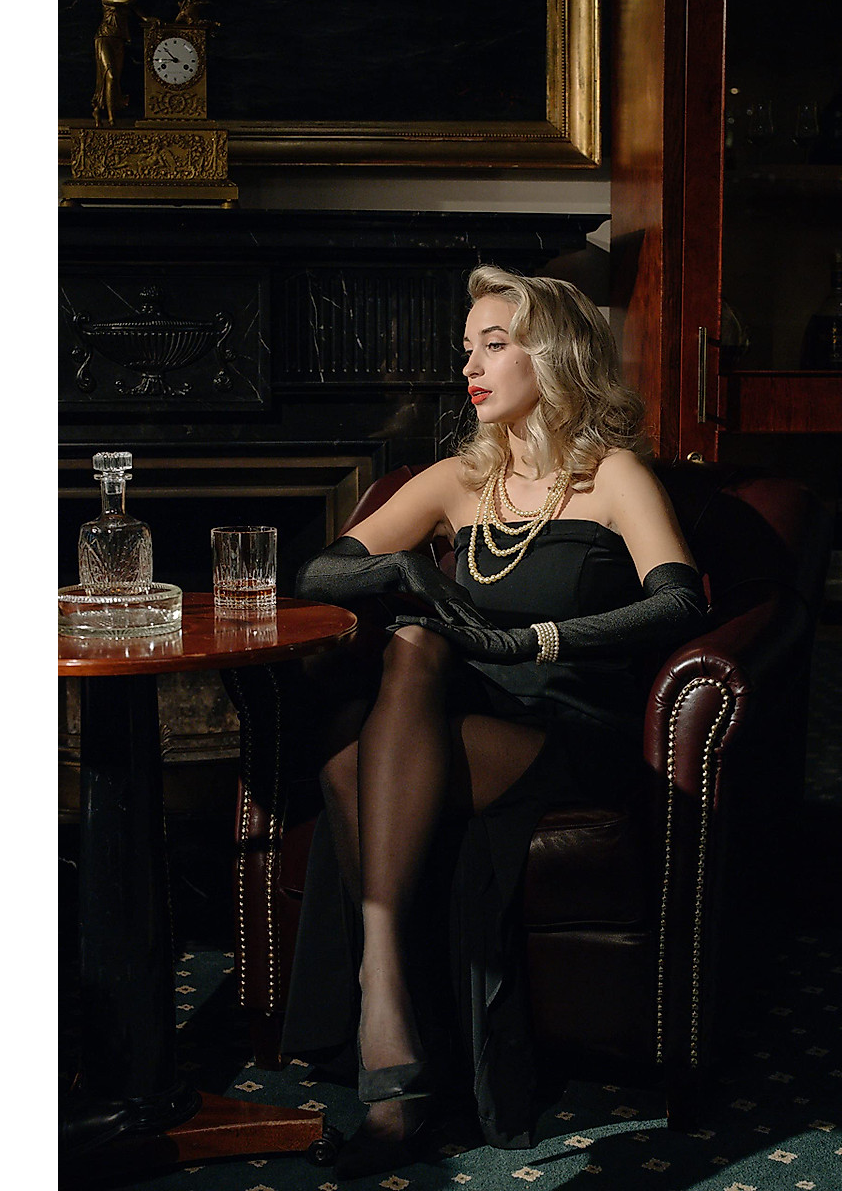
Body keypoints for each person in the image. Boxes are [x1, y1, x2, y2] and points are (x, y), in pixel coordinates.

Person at [285, 265, 707, 1178]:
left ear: (552, 356)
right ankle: (387, 989)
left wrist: (538, 640)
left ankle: (385, 1022)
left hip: (566, 722)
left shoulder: (612, 475)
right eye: (466, 350)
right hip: (463, 713)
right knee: (407, 653)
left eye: (494, 345)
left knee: (352, 767)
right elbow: (319, 573)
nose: (470, 368)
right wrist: (403, 570)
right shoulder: (459, 479)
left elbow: (678, 601)